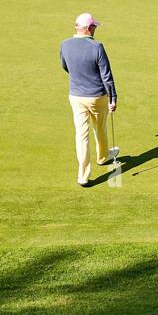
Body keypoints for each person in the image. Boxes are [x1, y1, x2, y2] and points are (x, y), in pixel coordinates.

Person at [59, 12, 117, 186]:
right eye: (94, 27)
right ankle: (103, 157)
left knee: (81, 135)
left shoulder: (65, 44)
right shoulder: (97, 46)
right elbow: (106, 76)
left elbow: (64, 65)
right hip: (97, 96)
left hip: (76, 96)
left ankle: (83, 176)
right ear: (89, 28)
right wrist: (113, 97)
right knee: (99, 128)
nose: (95, 30)